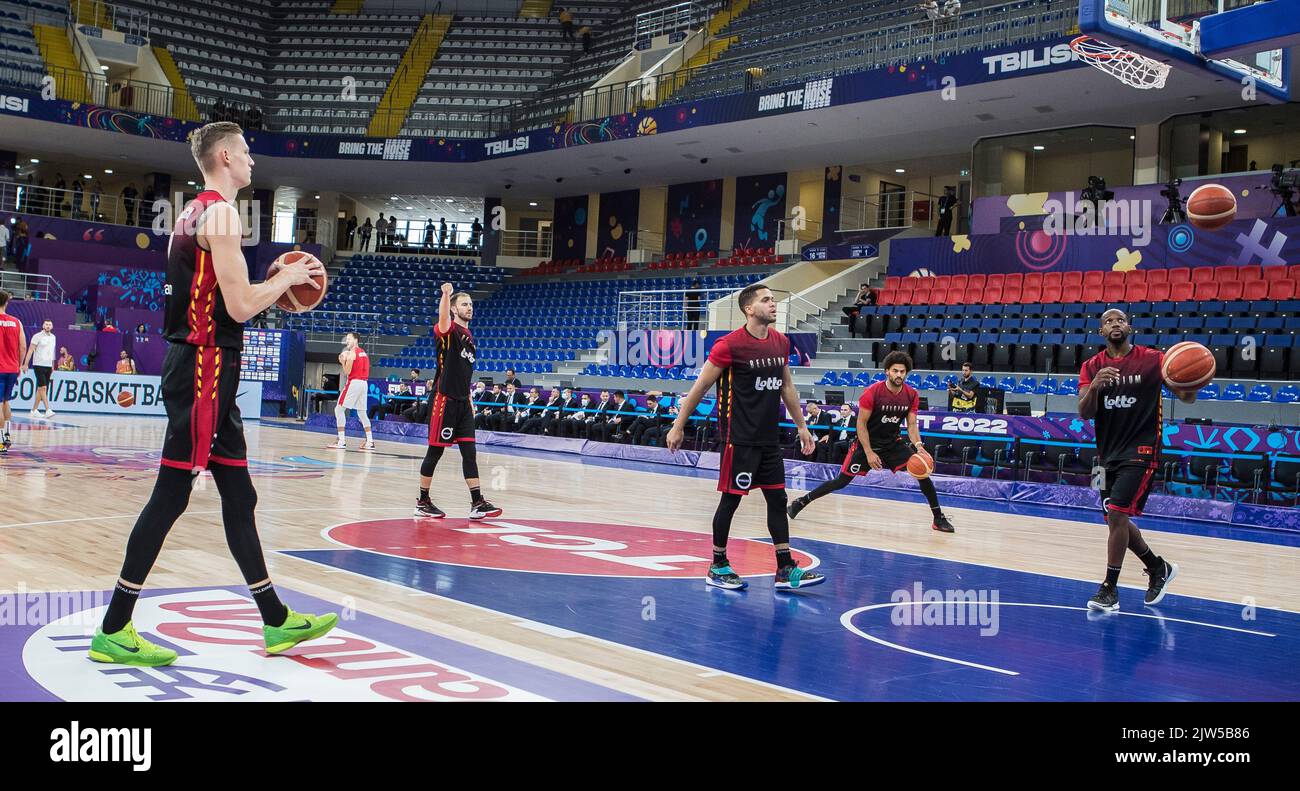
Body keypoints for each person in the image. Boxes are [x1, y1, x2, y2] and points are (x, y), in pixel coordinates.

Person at [89, 121, 337, 667]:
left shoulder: (192, 211)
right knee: (172, 493)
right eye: (246, 152)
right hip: (203, 363)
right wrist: (288, 279)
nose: (253, 161)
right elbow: (244, 305)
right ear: (224, 156)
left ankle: (275, 619)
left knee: (241, 495)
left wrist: (274, 284)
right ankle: (113, 627)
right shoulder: (222, 213)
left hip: (210, 364)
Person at [665, 284, 823, 590]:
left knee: (778, 500)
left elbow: (786, 386)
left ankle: (784, 568)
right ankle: (718, 564)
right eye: (766, 300)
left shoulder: (780, 342)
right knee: (731, 501)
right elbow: (700, 387)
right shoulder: (729, 345)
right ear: (749, 309)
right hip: (738, 440)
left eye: (774, 299)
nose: (773, 304)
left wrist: (802, 426)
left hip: (769, 441)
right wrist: (678, 425)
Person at [1078, 308, 1191, 612]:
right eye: (1108, 321)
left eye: (1120, 320)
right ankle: (1157, 567)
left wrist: (1193, 378)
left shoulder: (1153, 359)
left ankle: (1109, 589)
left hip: (1141, 451)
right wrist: (1096, 386)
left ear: (1129, 326)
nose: (1115, 324)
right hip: (1104, 457)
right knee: (1114, 521)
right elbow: (1084, 412)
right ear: (1101, 331)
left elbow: (1185, 397)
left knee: (1116, 515)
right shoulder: (1092, 366)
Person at [788, 351, 956, 533]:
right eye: (895, 371)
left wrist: (919, 447)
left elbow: (912, 424)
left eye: (902, 371)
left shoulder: (911, 394)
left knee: (922, 474)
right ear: (887, 372)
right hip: (866, 442)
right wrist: (868, 452)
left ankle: (938, 518)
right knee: (841, 481)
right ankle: (801, 502)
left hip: (892, 443)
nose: (899, 375)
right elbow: (861, 424)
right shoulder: (873, 392)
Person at [414, 283, 502, 520]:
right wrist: (445, 295)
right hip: (445, 400)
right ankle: (422, 501)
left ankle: (477, 502)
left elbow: (464, 372)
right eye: (465, 304)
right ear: (454, 309)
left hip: (463, 402)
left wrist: (471, 397)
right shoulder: (449, 330)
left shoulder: (469, 336)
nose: (470, 307)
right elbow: (442, 318)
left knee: (470, 452)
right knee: (435, 451)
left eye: (471, 304)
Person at [329, 332, 374, 450]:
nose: (347, 341)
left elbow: (347, 372)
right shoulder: (364, 353)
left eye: (349, 339)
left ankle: (341, 441)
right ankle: (370, 441)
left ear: (356, 340)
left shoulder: (352, 353)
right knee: (362, 413)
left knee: (338, 409)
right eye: (346, 339)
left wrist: (342, 362)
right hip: (364, 384)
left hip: (354, 383)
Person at [0, 290, 27, 451]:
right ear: (7, 303)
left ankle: (1, 441)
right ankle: (7, 435)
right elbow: (23, 346)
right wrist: (19, 364)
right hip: (11, 367)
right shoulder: (17, 322)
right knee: (5, 401)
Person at [23, 318, 57, 418]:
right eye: (46, 324)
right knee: (43, 387)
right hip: (38, 364)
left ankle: (34, 410)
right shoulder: (37, 336)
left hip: (48, 365)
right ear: (43, 326)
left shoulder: (53, 337)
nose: (48, 326)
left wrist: (52, 364)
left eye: (50, 324)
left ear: (52, 326)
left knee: (40, 389)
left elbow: (52, 352)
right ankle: (47, 409)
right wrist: (25, 364)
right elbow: (30, 350)